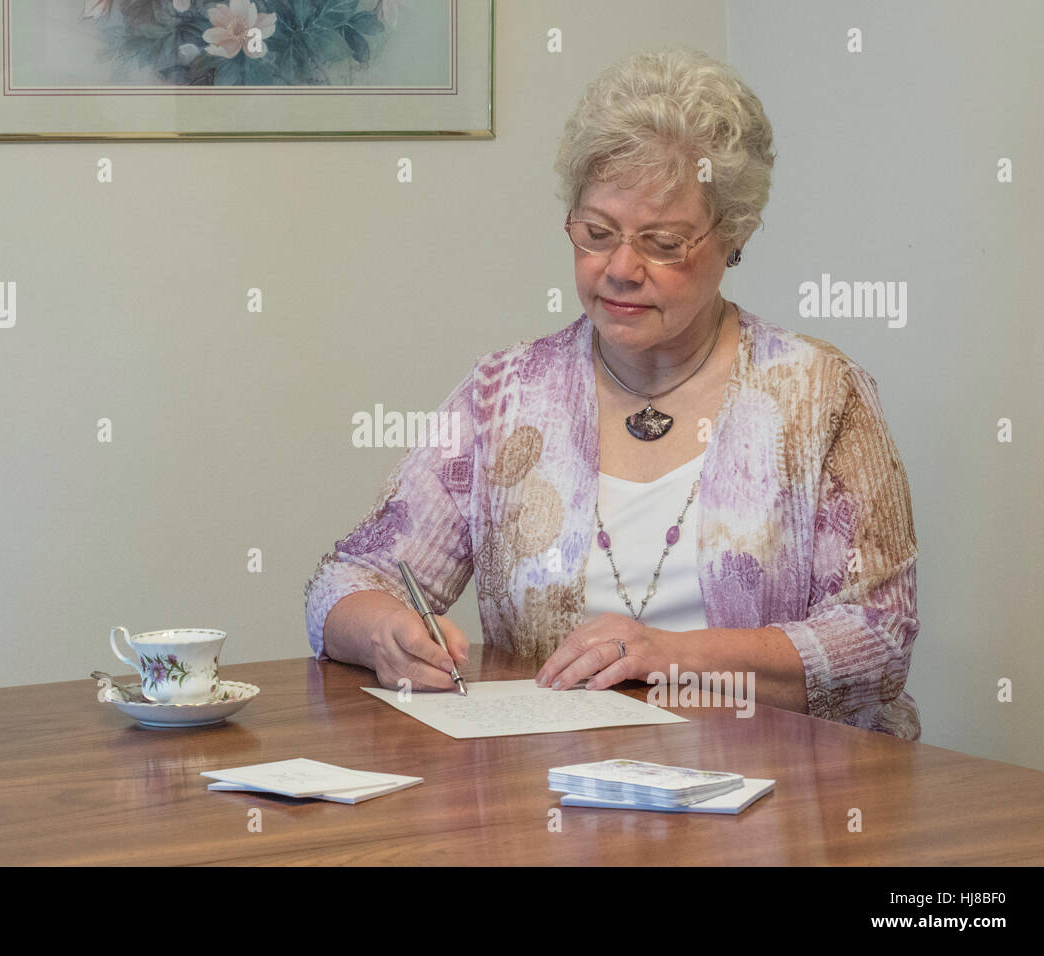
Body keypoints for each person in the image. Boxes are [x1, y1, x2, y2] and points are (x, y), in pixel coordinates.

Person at [303, 48, 921, 739]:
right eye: (597, 234)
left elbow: (877, 639)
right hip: (561, 802)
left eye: (662, 243)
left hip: (783, 807)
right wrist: (387, 632)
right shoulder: (506, 394)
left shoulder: (818, 395)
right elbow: (345, 580)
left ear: (735, 237)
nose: (621, 269)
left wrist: (669, 656)